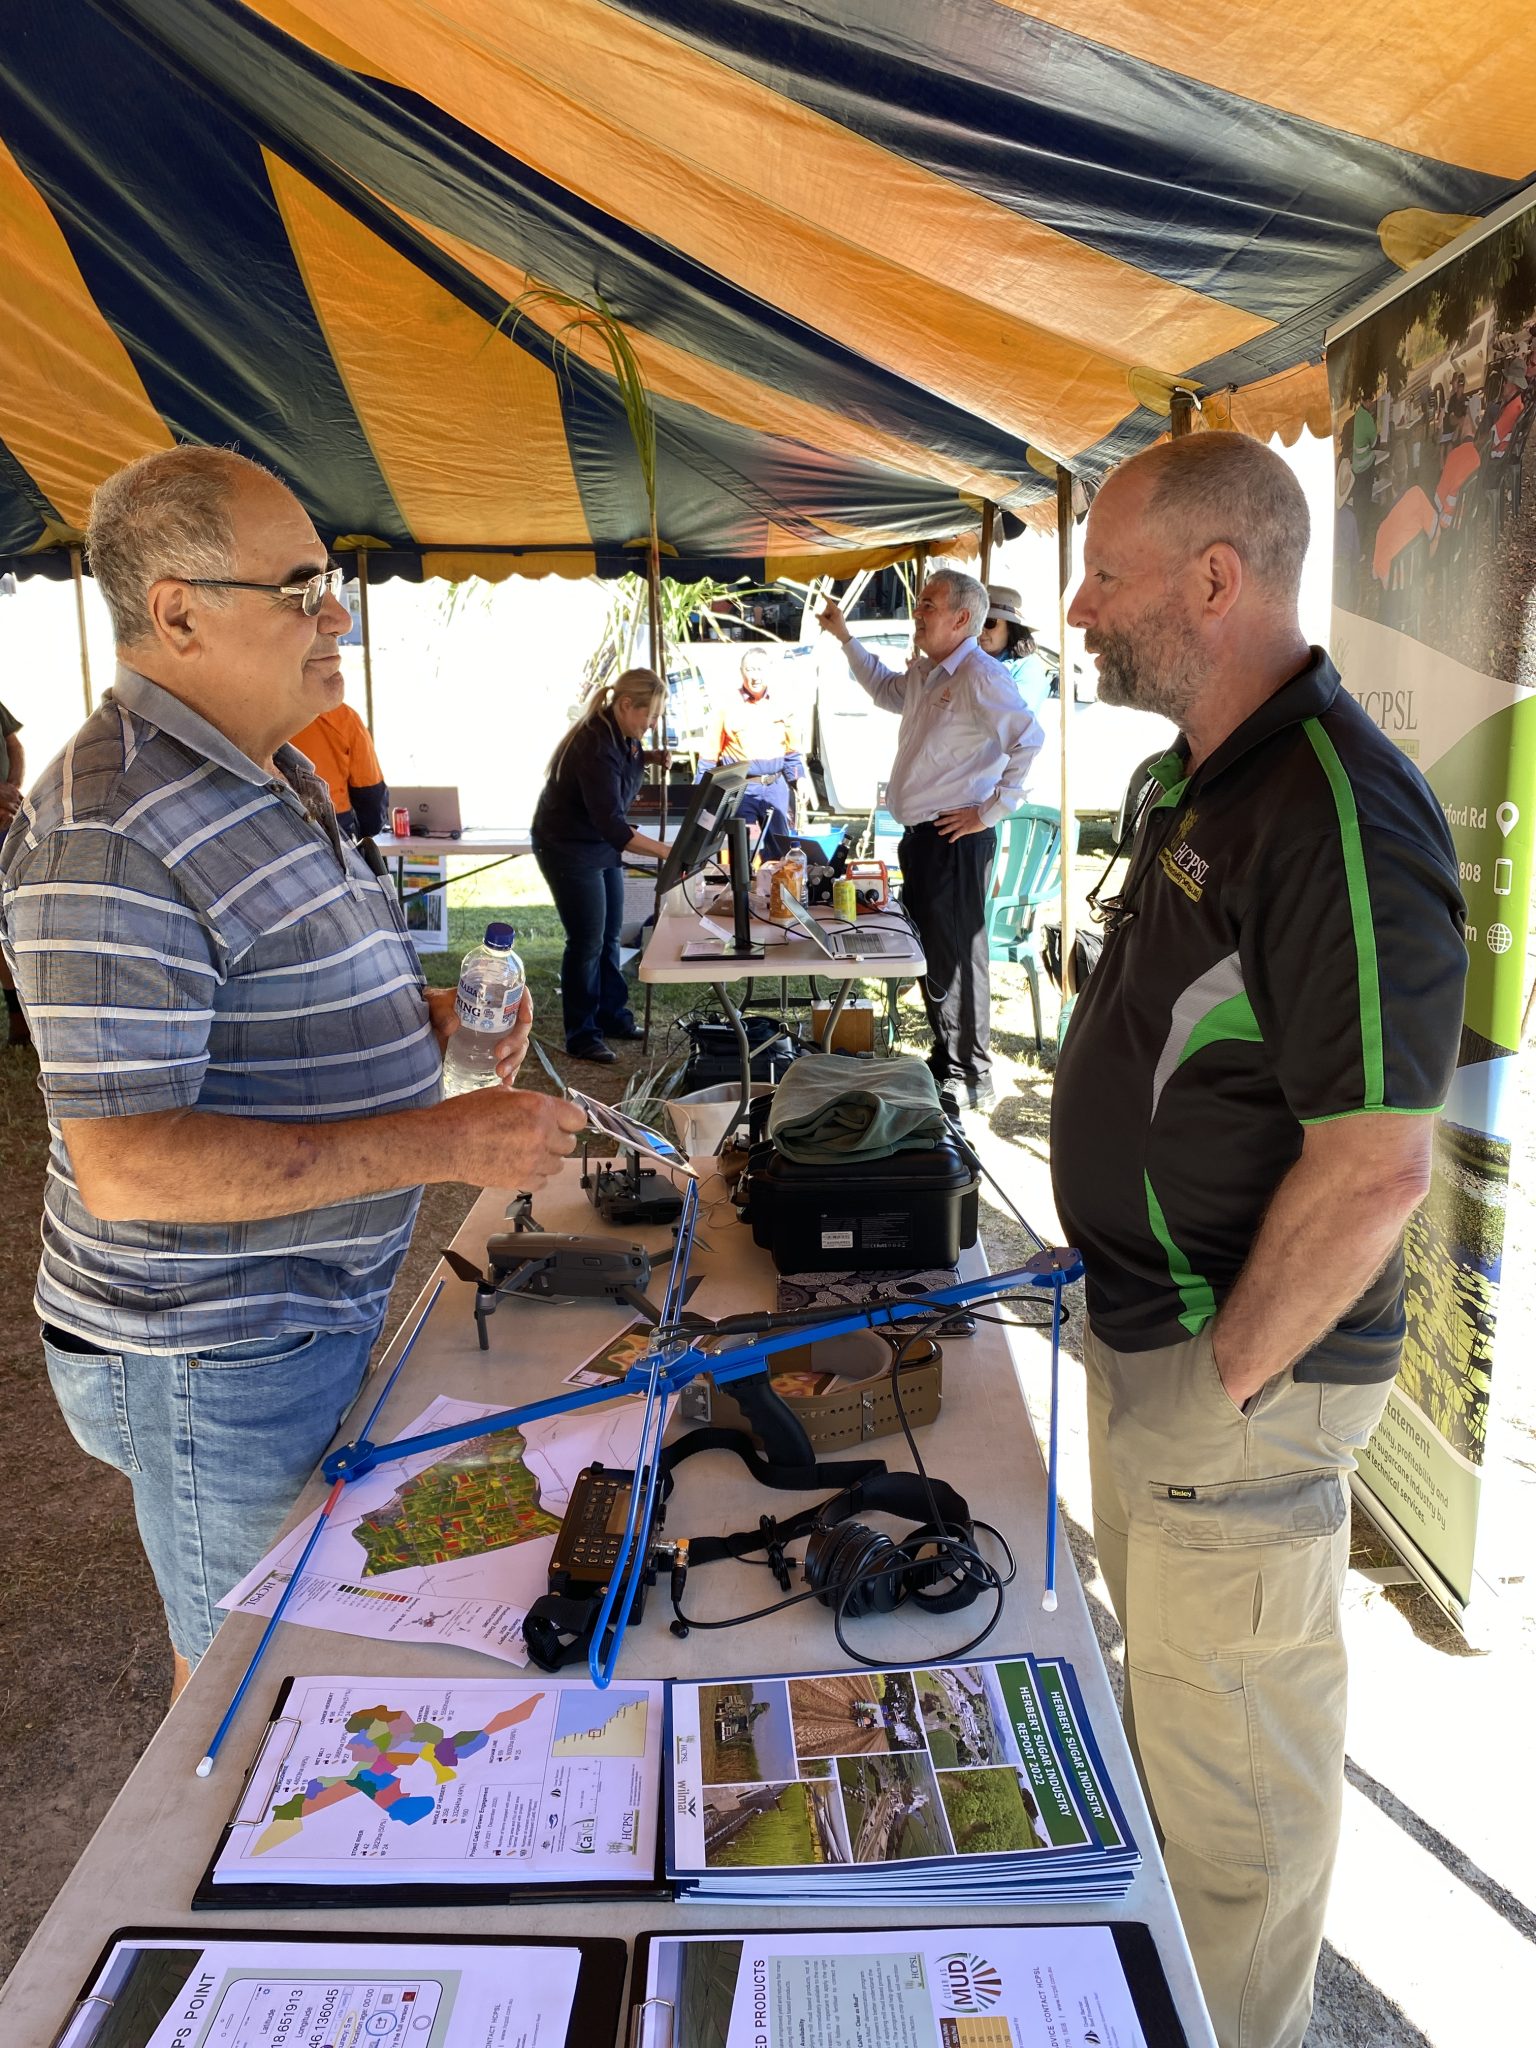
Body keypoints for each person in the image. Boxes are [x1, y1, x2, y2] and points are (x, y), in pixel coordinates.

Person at [0, 446, 585, 1690]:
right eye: (302, 586)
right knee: (249, 1672)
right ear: (178, 612)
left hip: (295, 1305)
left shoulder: (279, 763)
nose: (337, 616)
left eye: (332, 583)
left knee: (302, 1620)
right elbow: (128, 1164)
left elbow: (268, 983)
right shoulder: (112, 828)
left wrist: (417, 1012)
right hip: (213, 1343)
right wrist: (445, 1142)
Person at [1052, 432, 1466, 2048]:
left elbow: (1374, 1166)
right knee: (1175, 1738)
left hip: (1241, 1376)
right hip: (1163, 1342)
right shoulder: (1202, 777)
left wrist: (1225, 1383)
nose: (1079, 605)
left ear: (1213, 580)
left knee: (1232, 1811)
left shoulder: (1339, 808)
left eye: (1105, 572)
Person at [819, 570, 1043, 1112]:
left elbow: (1029, 741)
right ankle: (948, 1062)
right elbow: (881, 688)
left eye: (928, 604)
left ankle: (972, 1075)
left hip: (954, 839)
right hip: (923, 839)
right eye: (919, 603)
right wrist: (846, 637)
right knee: (931, 953)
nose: (917, 612)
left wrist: (989, 812)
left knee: (959, 955)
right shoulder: (927, 672)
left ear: (961, 618)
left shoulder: (981, 676)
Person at [531, 669, 672, 1064]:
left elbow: (621, 767)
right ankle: (582, 1033)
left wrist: (650, 755)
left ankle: (612, 1016)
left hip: (596, 844)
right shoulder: (595, 744)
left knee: (611, 935)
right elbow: (613, 824)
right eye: (651, 715)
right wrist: (666, 852)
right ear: (627, 705)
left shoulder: (622, 734)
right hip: (568, 847)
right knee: (587, 941)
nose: (653, 724)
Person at [700, 647, 805, 825]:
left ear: (769, 671)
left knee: (779, 846)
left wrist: (800, 779)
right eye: (750, 670)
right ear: (742, 672)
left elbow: (791, 752)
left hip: (775, 788)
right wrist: (700, 795)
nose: (755, 676)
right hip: (741, 789)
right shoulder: (725, 705)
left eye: (760, 669)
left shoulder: (783, 703)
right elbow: (709, 757)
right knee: (742, 847)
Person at [289, 695, 389, 838]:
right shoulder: (343, 717)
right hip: (334, 822)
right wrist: (370, 832)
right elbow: (369, 791)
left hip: (272, 820)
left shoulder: (258, 713)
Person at [978, 584, 1051, 713]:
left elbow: (1015, 716)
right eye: (979, 621)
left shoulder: (1029, 667)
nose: (981, 629)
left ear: (1011, 628)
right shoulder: (974, 659)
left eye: (990, 622)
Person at [0, 695, 26, 1045]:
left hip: (6, 821)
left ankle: (28, 1019)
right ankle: (19, 1021)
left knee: (18, 916)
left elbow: (14, 746)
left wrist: (11, 788)